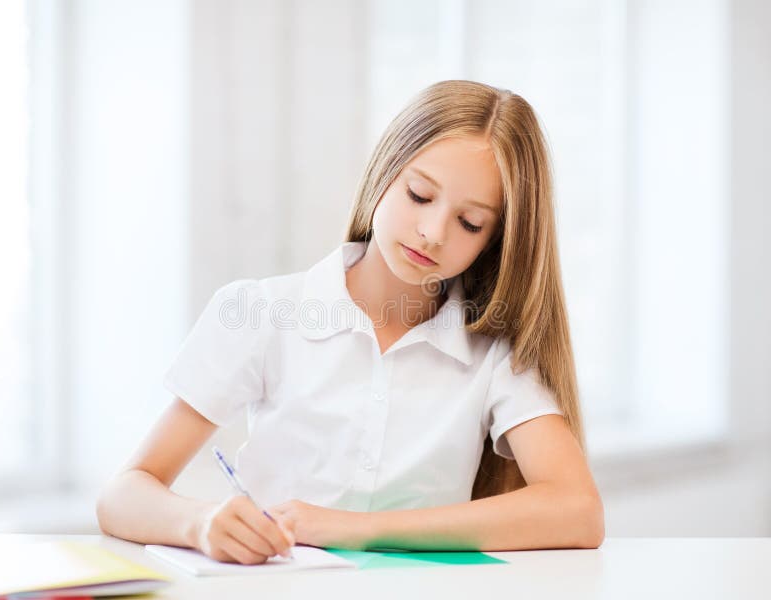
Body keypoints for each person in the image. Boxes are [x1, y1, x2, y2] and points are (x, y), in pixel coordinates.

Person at [96, 80, 604, 565]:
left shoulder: (494, 352)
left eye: (469, 223)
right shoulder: (264, 312)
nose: (431, 233)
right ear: (385, 170)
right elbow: (123, 495)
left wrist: (349, 528)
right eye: (420, 196)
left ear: (493, 241)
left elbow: (577, 512)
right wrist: (200, 524)